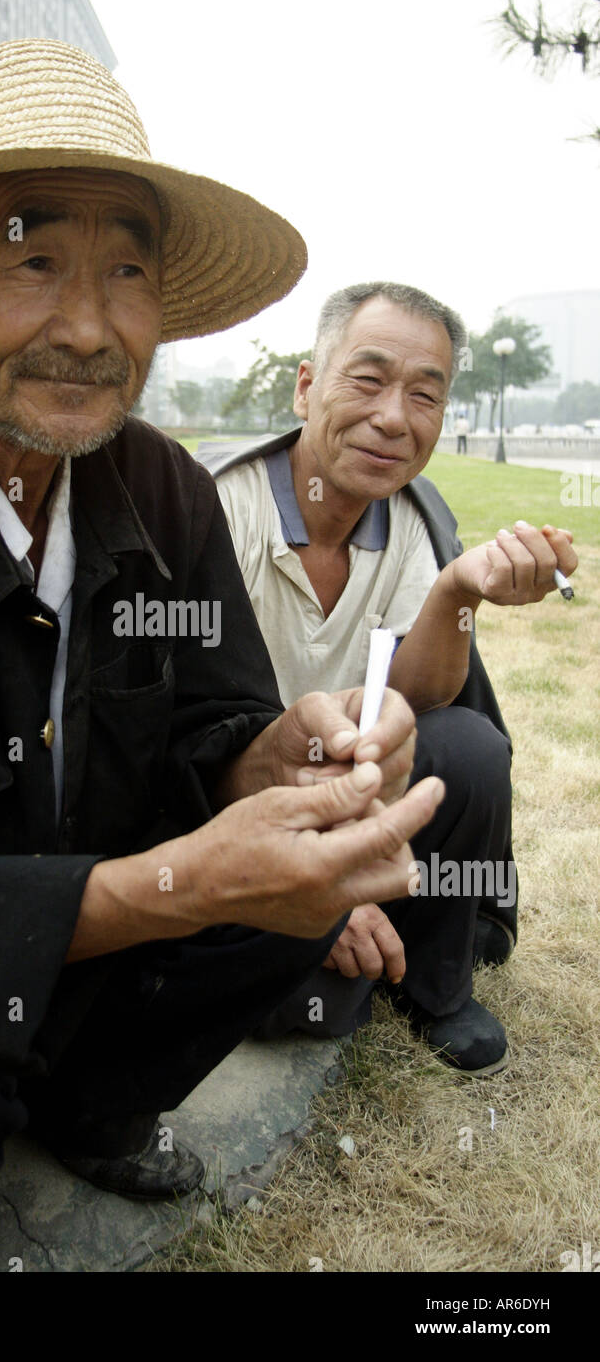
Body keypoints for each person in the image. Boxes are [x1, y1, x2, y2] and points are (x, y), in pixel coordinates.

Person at [0, 45, 443, 1273]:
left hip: (90, 950)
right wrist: (174, 884)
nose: (86, 325)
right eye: (32, 258)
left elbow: (215, 719)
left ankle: (87, 1100)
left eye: (126, 269)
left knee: (305, 866)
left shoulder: (159, 490)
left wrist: (278, 760)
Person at [198, 282, 577, 1065]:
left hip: (346, 788)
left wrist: (455, 590)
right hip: (223, 805)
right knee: (314, 1003)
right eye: (366, 381)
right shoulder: (218, 511)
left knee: (468, 747)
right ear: (307, 387)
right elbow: (172, 746)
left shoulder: (408, 518)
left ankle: (437, 984)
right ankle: (337, 929)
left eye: (425, 396)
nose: (394, 418)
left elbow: (414, 703)